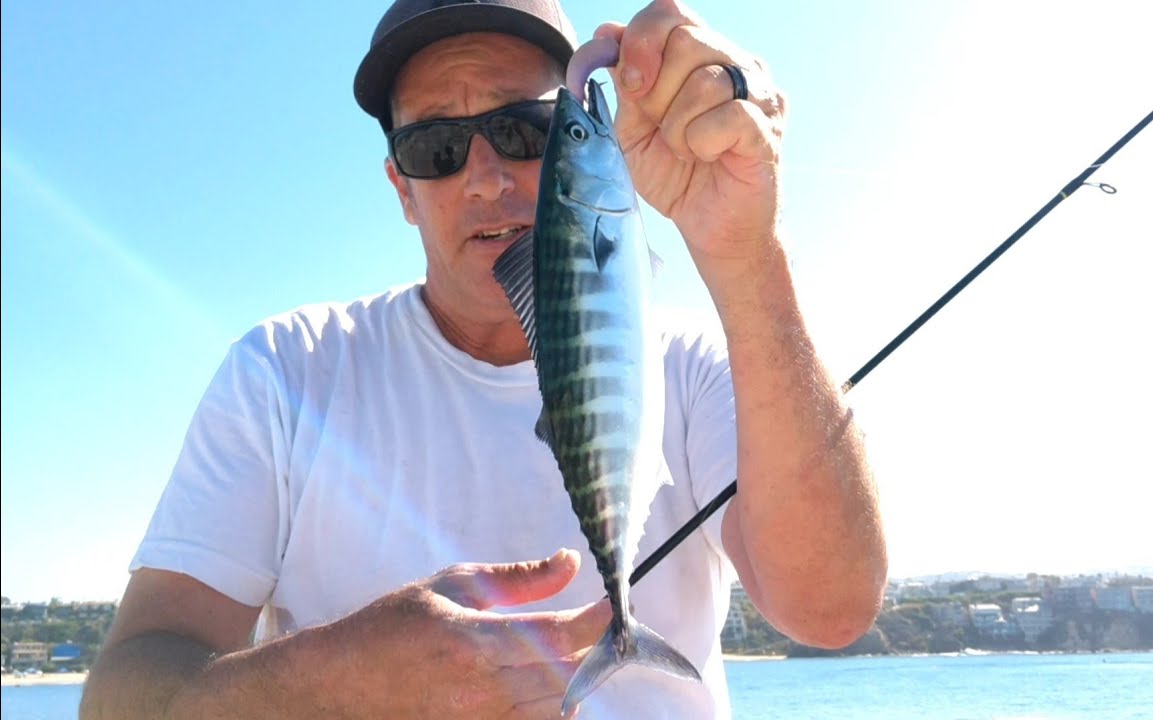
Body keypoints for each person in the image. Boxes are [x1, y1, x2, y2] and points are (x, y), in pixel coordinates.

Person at [79, 0, 887, 717]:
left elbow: (830, 609)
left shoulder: (697, 359)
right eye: (437, 146)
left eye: (523, 129)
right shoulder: (285, 372)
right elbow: (123, 693)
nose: (487, 176)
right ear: (402, 187)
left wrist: (746, 256)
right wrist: (328, 686)